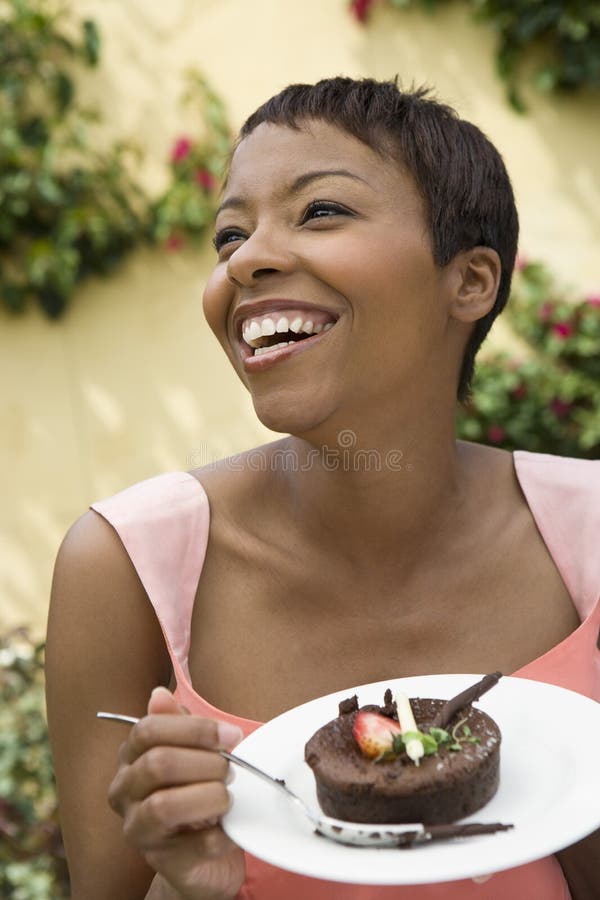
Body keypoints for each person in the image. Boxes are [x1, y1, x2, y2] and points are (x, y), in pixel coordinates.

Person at [46, 77, 600, 900]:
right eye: (229, 234)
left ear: (471, 282)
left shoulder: (587, 540)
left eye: (321, 211)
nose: (247, 259)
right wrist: (191, 885)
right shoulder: (128, 568)